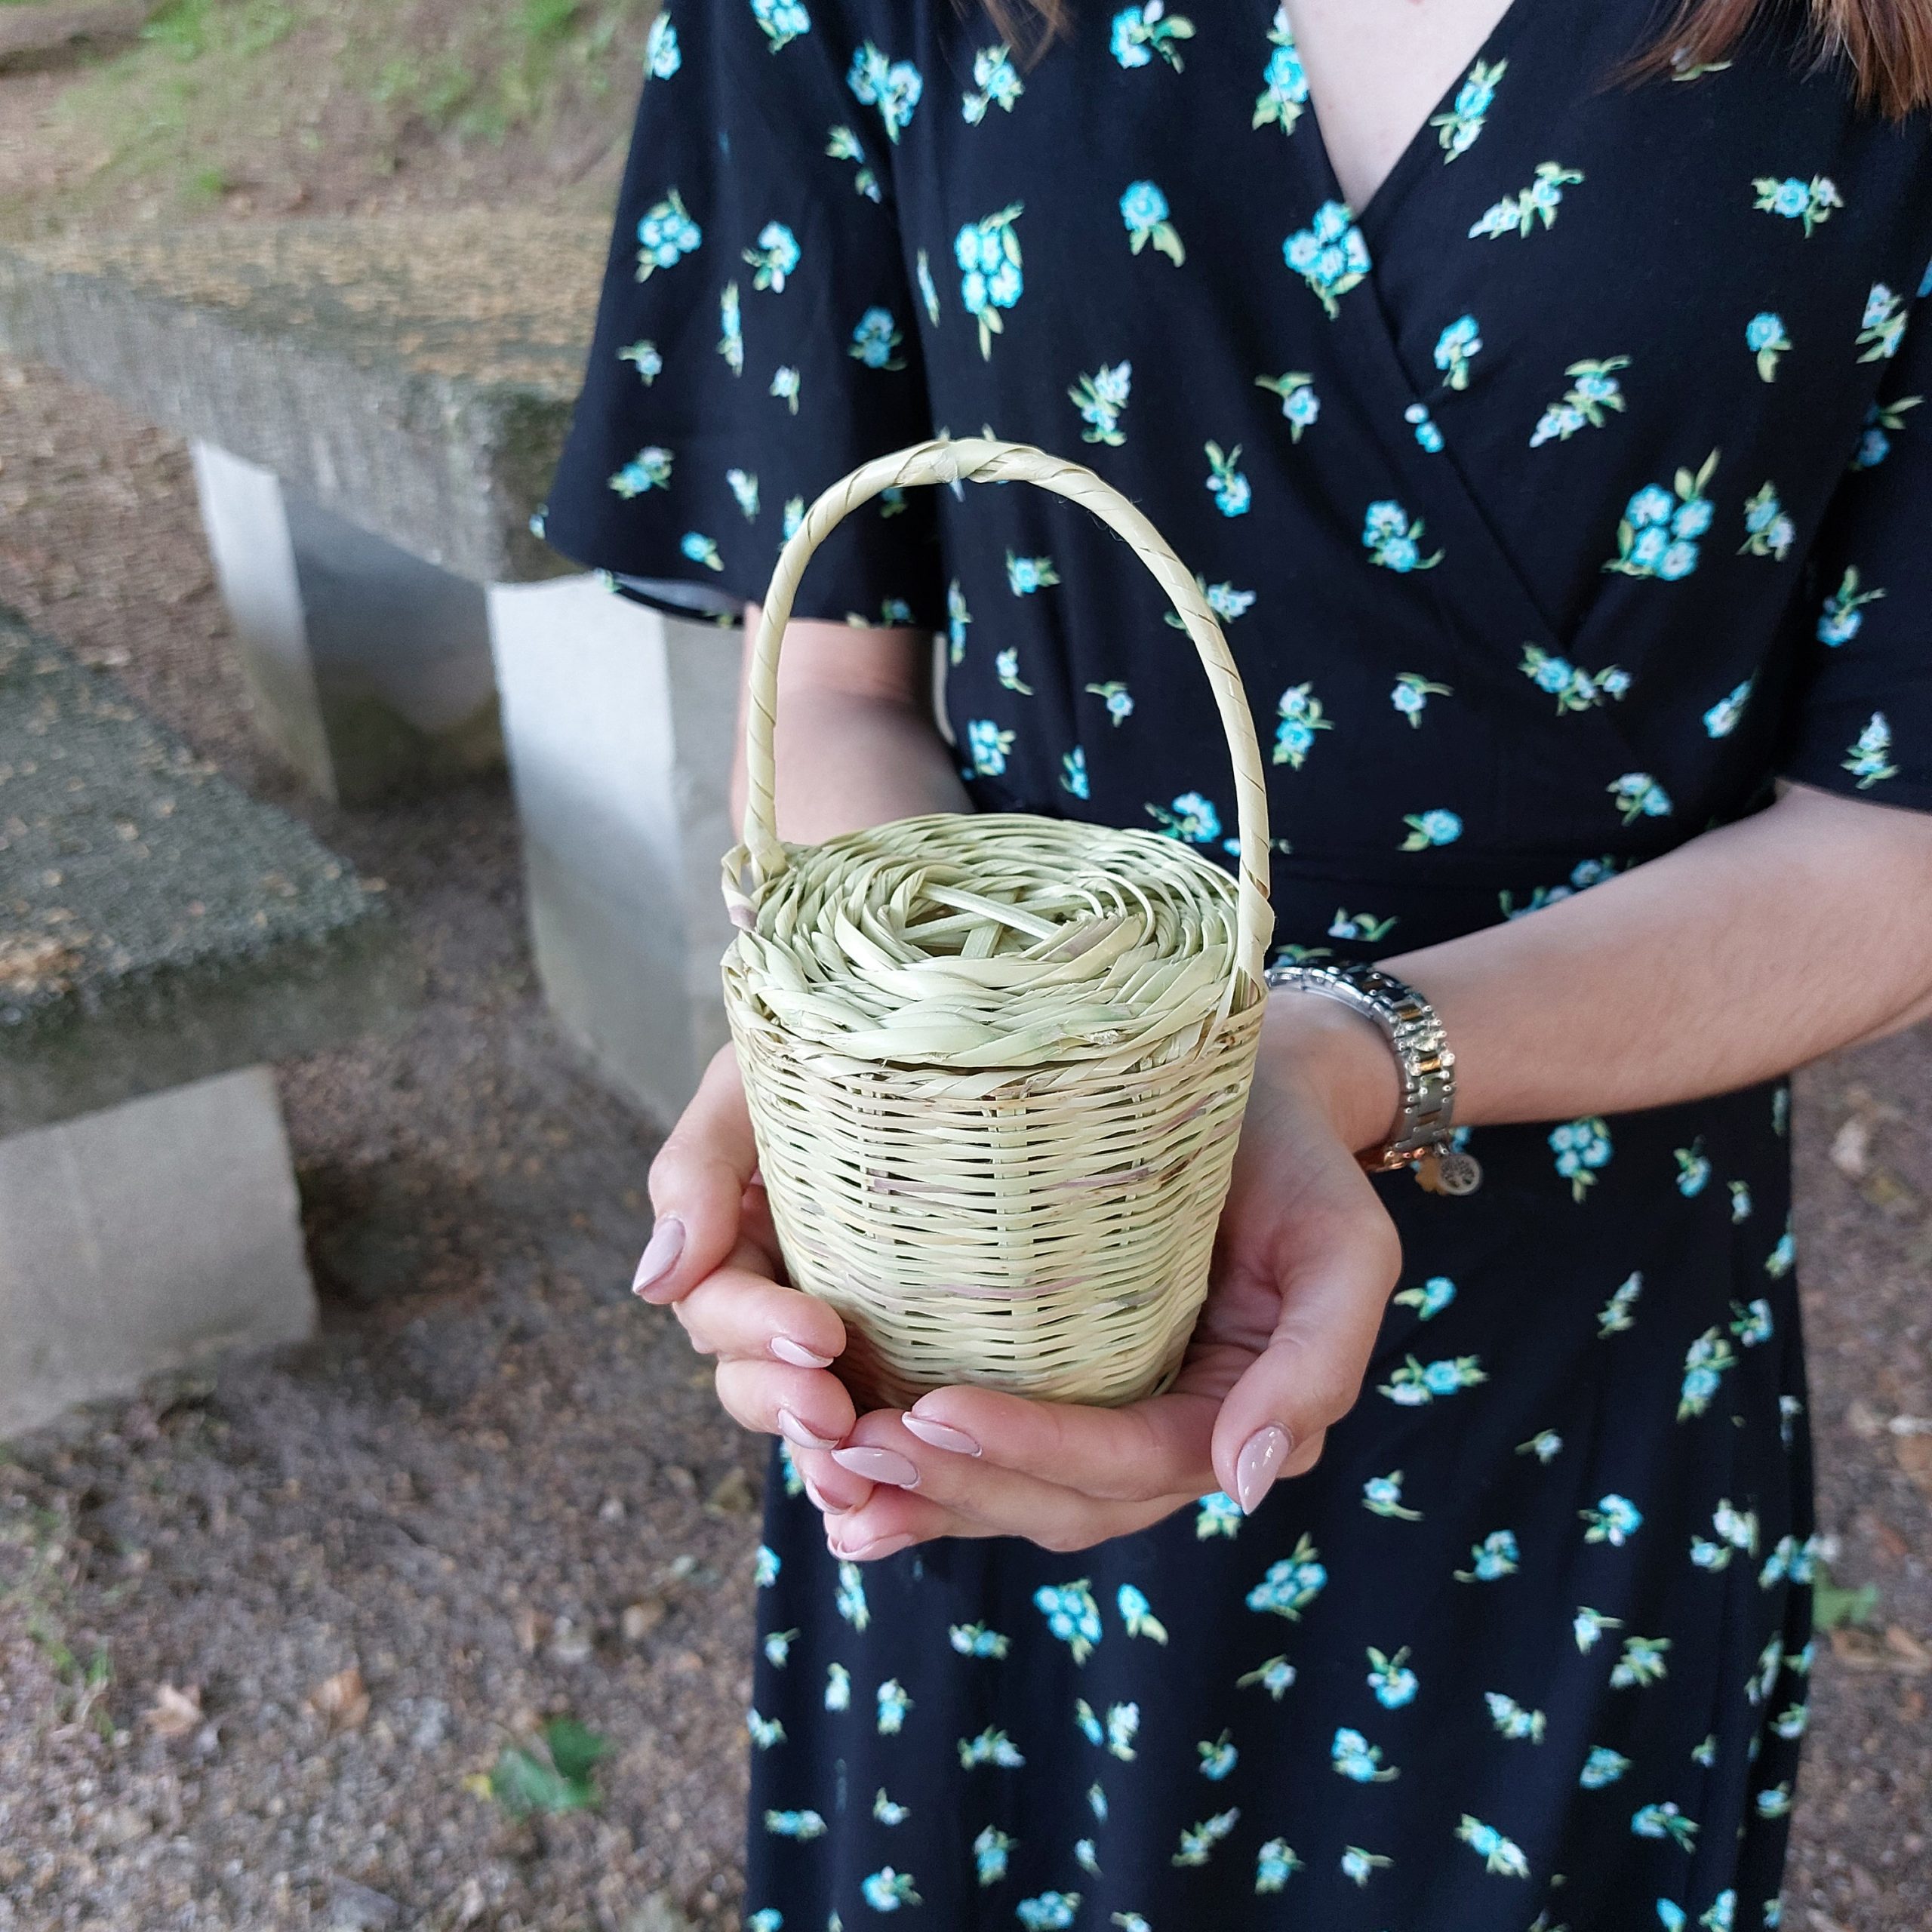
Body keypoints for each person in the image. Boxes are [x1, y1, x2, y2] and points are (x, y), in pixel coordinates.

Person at [536, 1, 1932, 1923]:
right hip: (1004, 1255)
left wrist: (1330, 1054)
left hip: (1581, 1323)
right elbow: (838, 685)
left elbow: (1894, 835)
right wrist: (893, 1045)